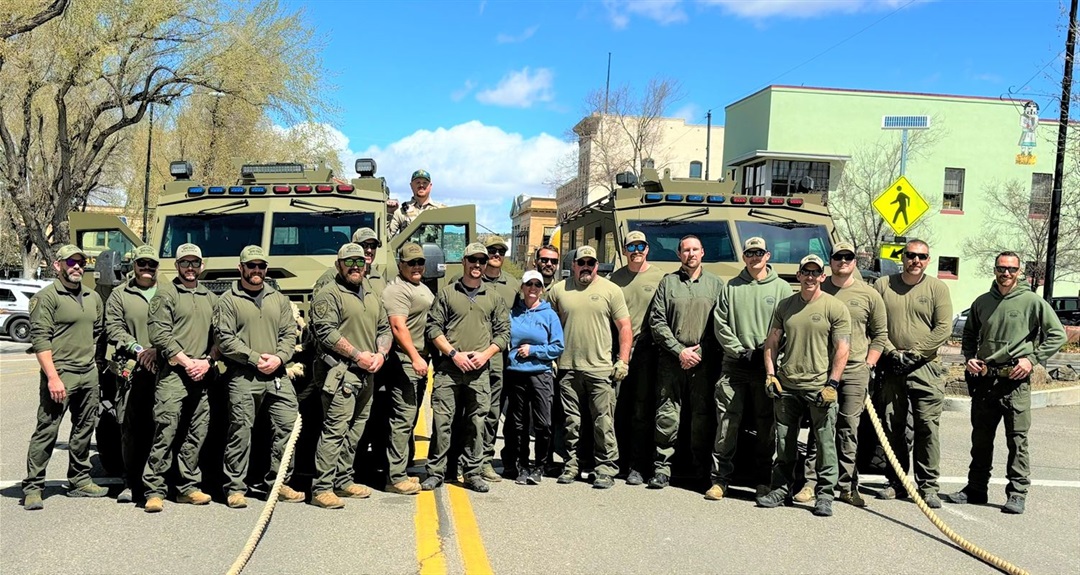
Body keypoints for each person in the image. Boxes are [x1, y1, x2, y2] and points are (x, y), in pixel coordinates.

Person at [943, 252, 1066, 514]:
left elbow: (1057, 335)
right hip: (985, 381)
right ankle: (975, 488)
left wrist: (1032, 359)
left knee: (1017, 441)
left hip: (1015, 383)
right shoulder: (982, 302)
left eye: (1011, 269)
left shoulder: (1032, 302)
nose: (1006, 273)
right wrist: (969, 358)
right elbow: (969, 334)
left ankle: (1017, 493)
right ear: (995, 270)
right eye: (1001, 268)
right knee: (981, 439)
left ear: (1019, 271)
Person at [794, 241, 888, 508]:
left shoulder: (869, 295)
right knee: (819, 429)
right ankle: (810, 484)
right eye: (838, 257)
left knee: (848, 429)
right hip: (821, 371)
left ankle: (847, 485)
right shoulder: (818, 291)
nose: (843, 261)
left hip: (855, 371)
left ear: (855, 261)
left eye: (848, 257)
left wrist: (868, 365)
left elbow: (880, 335)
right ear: (830, 262)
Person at [757, 254, 851, 517]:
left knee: (824, 444)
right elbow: (772, 342)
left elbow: (842, 347)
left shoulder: (835, 308)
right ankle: (781, 489)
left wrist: (832, 383)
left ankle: (824, 495)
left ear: (823, 276)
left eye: (815, 273)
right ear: (798, 275)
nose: (810, 277)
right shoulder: (785, 306)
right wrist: (770, 374)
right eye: (805, 272)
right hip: (787, 385)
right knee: (784, 442)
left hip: (820, 386)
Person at [215, 245, 304, 508]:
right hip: (243, 376)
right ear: (240, 268)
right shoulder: (228, 301)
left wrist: (279, 357)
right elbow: (225, 339)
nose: (256, 271)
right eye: (251, 266)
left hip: (277, 373)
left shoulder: (278, 298)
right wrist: (255, 358)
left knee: (287, 426)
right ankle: (235, 488)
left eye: (261, 266)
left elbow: (290, 333)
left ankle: (279, 483)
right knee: (241, 430)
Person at [22, 245, 107, 510]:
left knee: (84, 430)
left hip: (88, 374)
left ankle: (79, 480)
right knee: (47, 430)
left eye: (82, 262)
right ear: (57, 265)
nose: (77, 267)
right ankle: (34, 487)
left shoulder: (93, 297)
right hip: (60, 375)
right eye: (71, 262)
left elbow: (97, 331)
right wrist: (53, 377)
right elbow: (40, 340)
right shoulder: (46, 297)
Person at [308, 243, 392, 509]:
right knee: (335, 430)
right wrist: (358, 355)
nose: (355, 266)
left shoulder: (369, 291)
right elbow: (326, 332)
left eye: (359, 261)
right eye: (349, 261)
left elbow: (384, 328)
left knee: (356, 430)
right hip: (340, 373)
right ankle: (322, 487)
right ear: (338, 265)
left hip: (367, 373)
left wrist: (380, 354)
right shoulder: (328, 293)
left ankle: (343, 480)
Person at [707, 237, 791, 501]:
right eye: (749, 253)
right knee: (727, 425)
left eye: (759, 253)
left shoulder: (782, 289)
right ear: (744, 257)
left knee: (767, 426)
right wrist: (738, 350)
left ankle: (764, 480)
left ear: (767, 255)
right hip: (735, 365)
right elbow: (720, 323)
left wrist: (768, 354)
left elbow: (789, 325)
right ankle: (720, 480)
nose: (754, 257)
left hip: (766, 367)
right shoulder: (731, 287)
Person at [423, 243, 510, 493]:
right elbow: (433, 329)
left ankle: (472, 472)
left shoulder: (493, 297)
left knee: (476, 423)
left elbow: (504, 333)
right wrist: (453, 354)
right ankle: (436, 471)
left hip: (479, 372)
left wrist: (485, 355)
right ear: (464, 261)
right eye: (473, 260)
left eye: (482, 261)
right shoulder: (448, 293)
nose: (478, 265)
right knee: (442, 422)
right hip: (449, 370)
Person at [873, 239, 953, 507]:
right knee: (892, 426)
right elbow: (874, 324)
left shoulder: (937, 288)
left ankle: (928, 486)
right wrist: (892, 352)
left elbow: (943, 328)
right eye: (911, 255)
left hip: (925, 367)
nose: (915, 260)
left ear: (928, 260)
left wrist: (916, 354)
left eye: (922, 256)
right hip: (892, 365)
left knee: (927, 427)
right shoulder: (883, 285)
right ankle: (897, 482)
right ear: (903, 257)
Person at [547, 246, 632, 489]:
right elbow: (546, 324)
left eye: (591, 263)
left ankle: (605, 468)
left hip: (600, 369)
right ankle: (572, 464)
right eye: (581, 262)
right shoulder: (558, 290)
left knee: (603, 422)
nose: (586, 266)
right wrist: (550, 357)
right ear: (573, 264)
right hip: (567, 367)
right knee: (571, 422)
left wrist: (622, 360)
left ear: (597, 265)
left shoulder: (611, 290)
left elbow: (624, 327)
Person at [143, 243, 217, 513]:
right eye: (185, 263)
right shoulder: (165, 295)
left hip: (201, 372)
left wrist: (207, 361)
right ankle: (155, 489)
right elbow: (160, 335)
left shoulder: (209, 296)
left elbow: (219, 337)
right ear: (176, 266)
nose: (190, 268)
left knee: (197, 432)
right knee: (167, 429)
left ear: (201, 266)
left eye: (194, 263)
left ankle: (187, 487)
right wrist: (187, 363)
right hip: (174, 374)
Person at [647, 235, 725, 490]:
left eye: (695, 249)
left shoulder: (716, 284)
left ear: (702, 252)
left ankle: (701, 470)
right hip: (672, 361)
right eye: (685, 250)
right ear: (679, 254)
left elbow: (721, 323)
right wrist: (679, 351)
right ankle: (662, 468)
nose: (690, 254)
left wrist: (700, 352)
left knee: (702, 417)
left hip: (704, 362)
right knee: (667, 415)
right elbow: (657, 322)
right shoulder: (668, 283)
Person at [103, 245, 161, 505]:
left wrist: (160, 350)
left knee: (165, 425)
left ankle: (161, 480)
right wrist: (139, 349)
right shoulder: (119, 295)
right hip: (133, 368)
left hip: (166, 366)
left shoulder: (169, 291)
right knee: (131, 426)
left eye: (152, 264)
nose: (147, 269)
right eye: (142, 264)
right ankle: (132, 481)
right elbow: (113, 327)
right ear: (134, 266)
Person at [608, 231, 666, 485]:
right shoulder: (615, 279)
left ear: (647, 248)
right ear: (624, 250)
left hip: (646, 351)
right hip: (618, 351)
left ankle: (637, 465)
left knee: (642, 410)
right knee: (618, 408)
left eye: (641, 245)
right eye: (631, 246)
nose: (637, 250)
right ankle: (616, 462)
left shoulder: (660, 277)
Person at [382, 243, 435, 495]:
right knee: (402, 418)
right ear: (400, 264)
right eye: (411, 263)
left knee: (411, 416)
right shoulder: (397, 290)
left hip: (420, 359)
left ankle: (401, 469)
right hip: (404, 359)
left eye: (420, 262)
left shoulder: (419, 287)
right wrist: (414, 356)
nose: (416, 267)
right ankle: (394, 477)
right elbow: (397, 327)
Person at [505, 270, 565, 484]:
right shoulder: (514, 313)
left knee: (543, 423)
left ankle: (539, 465)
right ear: (522, 287)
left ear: (542, 289)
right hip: (516, 374)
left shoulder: (549, 315)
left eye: (537, 285)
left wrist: (534, 351)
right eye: (528, 284)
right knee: (519, 423)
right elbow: (505, 339)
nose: (532, 288)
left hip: (541, 374)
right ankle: (522, 466)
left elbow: (558, 346)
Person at [473, 236, 518, 481]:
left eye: (501, 251)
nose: (496, 255)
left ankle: (484, 460)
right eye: (492, 250)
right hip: (469, 356)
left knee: (491, 411)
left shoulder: (513, 285)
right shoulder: (468, 280)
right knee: (468, 411)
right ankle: (464, 458)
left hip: (497, 358)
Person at [314, 227, 386, 297]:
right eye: (364, 245)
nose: (369, 250)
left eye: (373, 246)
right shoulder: (332, 276)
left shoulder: (379, 279)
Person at [388, 169, 446, 238]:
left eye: (425, 183)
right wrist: (389, 212)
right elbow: (387, 238)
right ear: (411, 185)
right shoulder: (401, 212)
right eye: (418, 182)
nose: (421, 185)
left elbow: (459, 222)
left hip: (432, 248)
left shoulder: (440, 209)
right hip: (409, 248)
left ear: (430, 186)